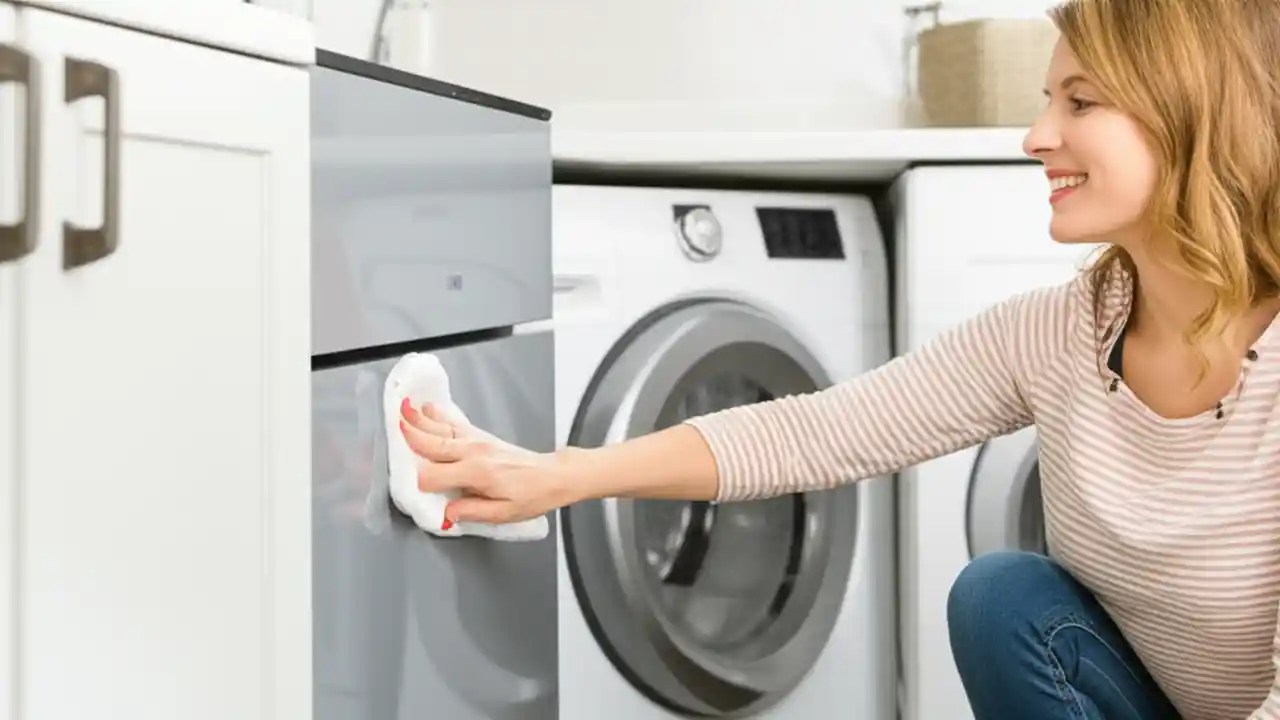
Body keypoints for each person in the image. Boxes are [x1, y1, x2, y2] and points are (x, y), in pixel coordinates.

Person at [396, 0, 1280, 717]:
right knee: (1004, 597)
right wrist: (563, 475)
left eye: (1079, 103)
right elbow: (818, 431)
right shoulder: (1058, 336)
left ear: (1190, 114)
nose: (1035, 135)